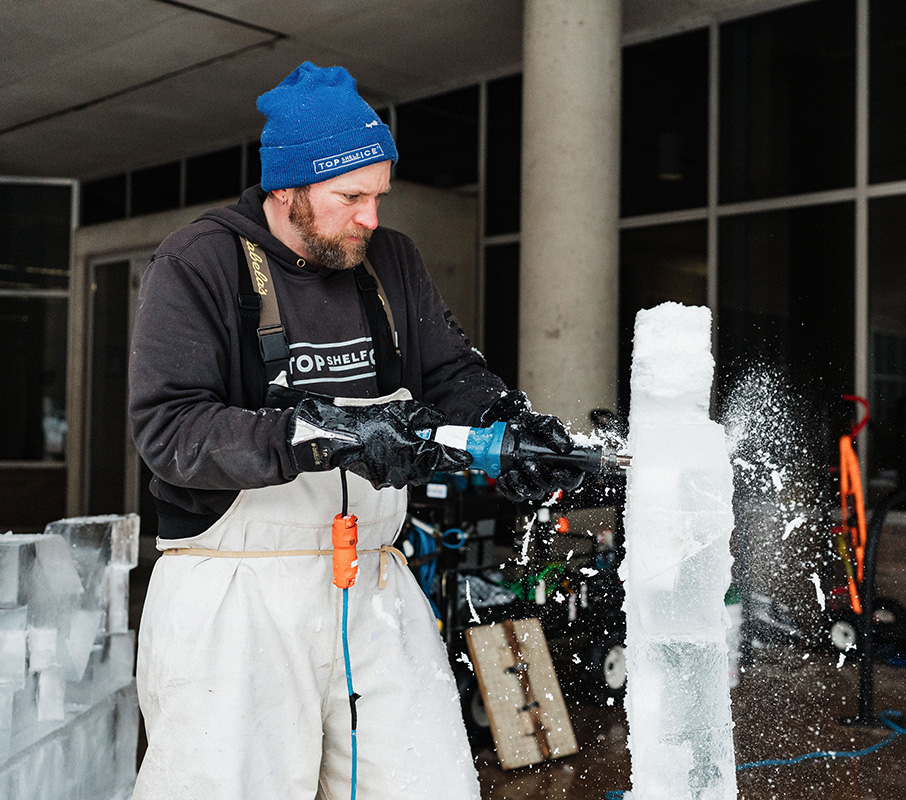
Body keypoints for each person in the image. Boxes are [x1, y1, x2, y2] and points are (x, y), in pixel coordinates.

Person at [128, 61, 584, 800]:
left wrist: (504, 424)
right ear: (287, 188)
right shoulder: (201, 262)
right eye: (351, 197)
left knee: (426, 785)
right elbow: (172, 432)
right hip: (239, 594)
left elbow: (450, 375)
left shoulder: (389, 261)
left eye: (378, 196)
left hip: (373, 581)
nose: (371, 217)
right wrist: (329, 433)